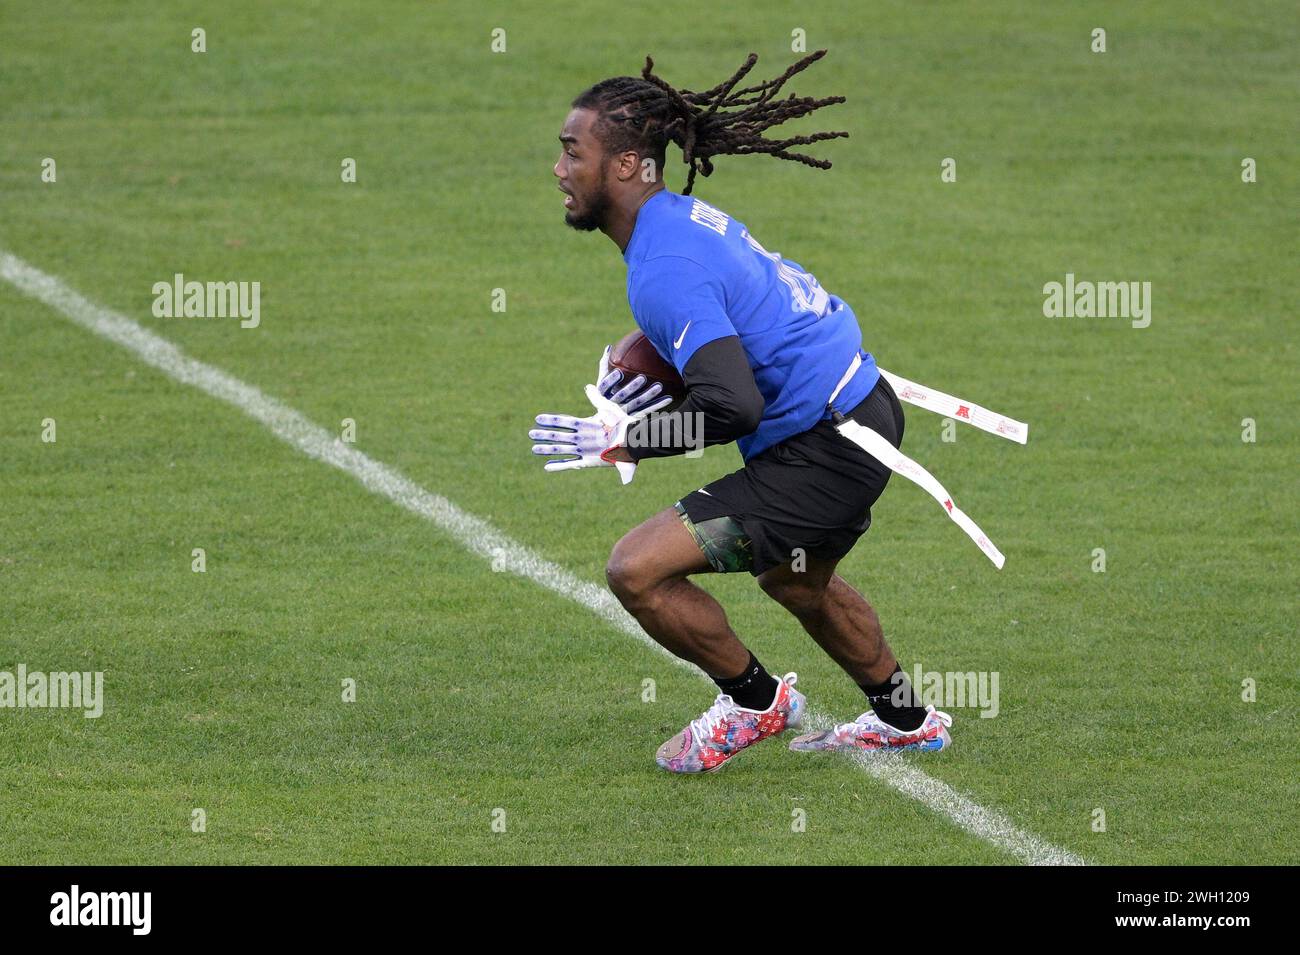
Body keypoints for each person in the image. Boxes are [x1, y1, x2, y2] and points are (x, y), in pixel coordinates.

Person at [530, 52, 951, 774]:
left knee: (636, 570)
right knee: (796, 580)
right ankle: (906, 719)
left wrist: (627, 439)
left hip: (826, 447)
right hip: (861, 408)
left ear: (627, 165)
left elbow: (733, 405)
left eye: (574, 153)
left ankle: (754, 702)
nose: (560, 170)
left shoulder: (663, 269)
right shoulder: (679, 220)